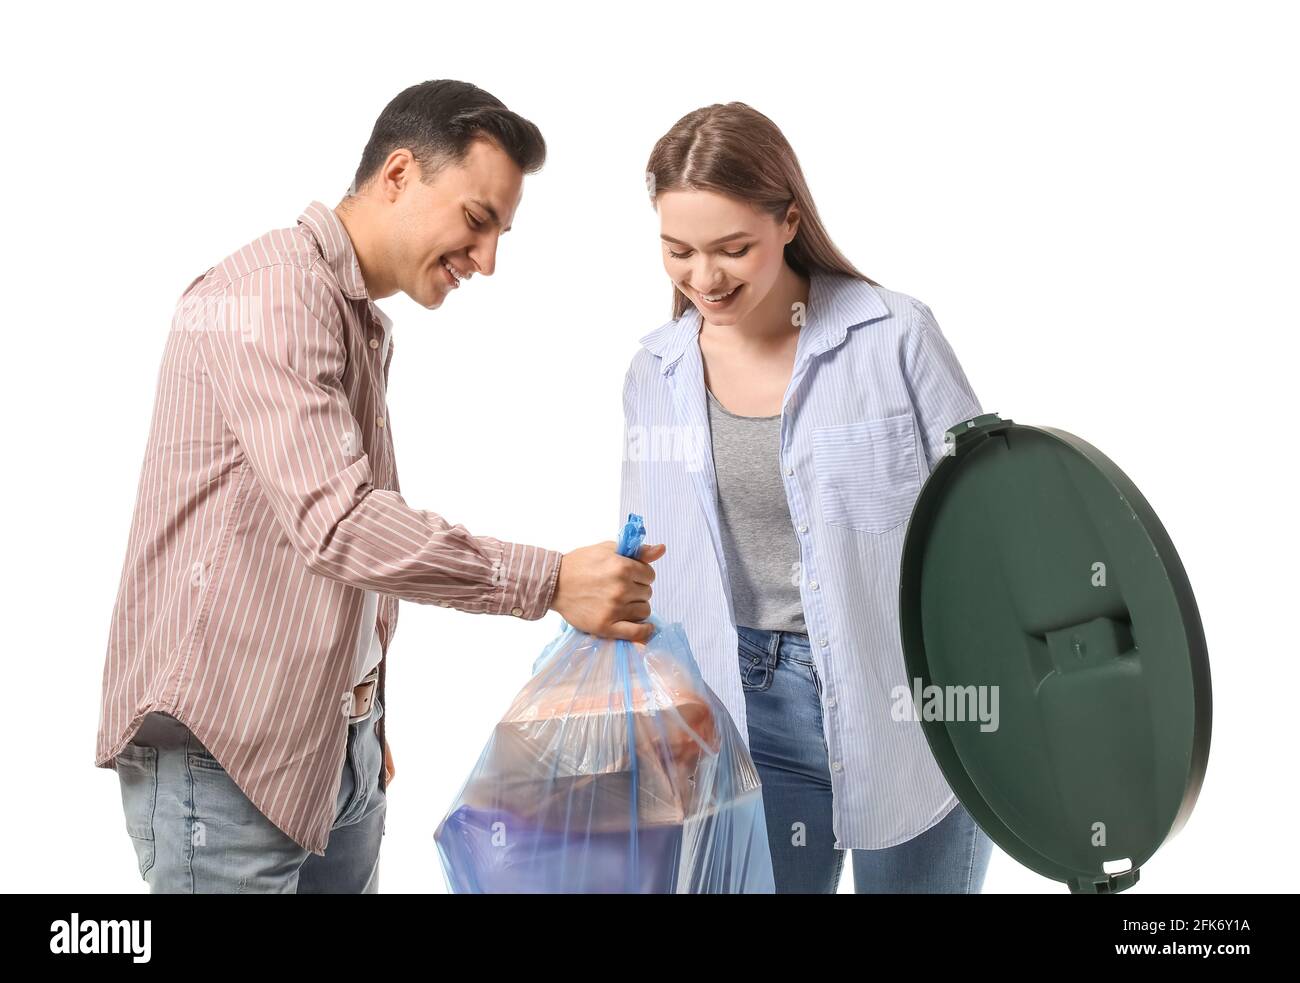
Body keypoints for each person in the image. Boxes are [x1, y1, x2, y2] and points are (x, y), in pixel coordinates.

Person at [96, 79, 665, 894]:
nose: (488, 260)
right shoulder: (275, 294)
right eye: (476, 221)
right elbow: (342, 525)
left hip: (331, 746)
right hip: (225, 762)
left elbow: (309, 547)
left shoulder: (350, 313)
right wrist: (551, 580)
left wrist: (352, 712)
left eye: (501, 232)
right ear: (398, 173)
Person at [620, 101, 994, 893]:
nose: (704, 278)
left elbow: (986, 523)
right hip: (744, 708)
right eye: (677, 250)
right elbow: (652, 561)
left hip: (911, 695)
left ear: (789, 221)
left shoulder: (893, 336)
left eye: (732, 249)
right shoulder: (655, 373)